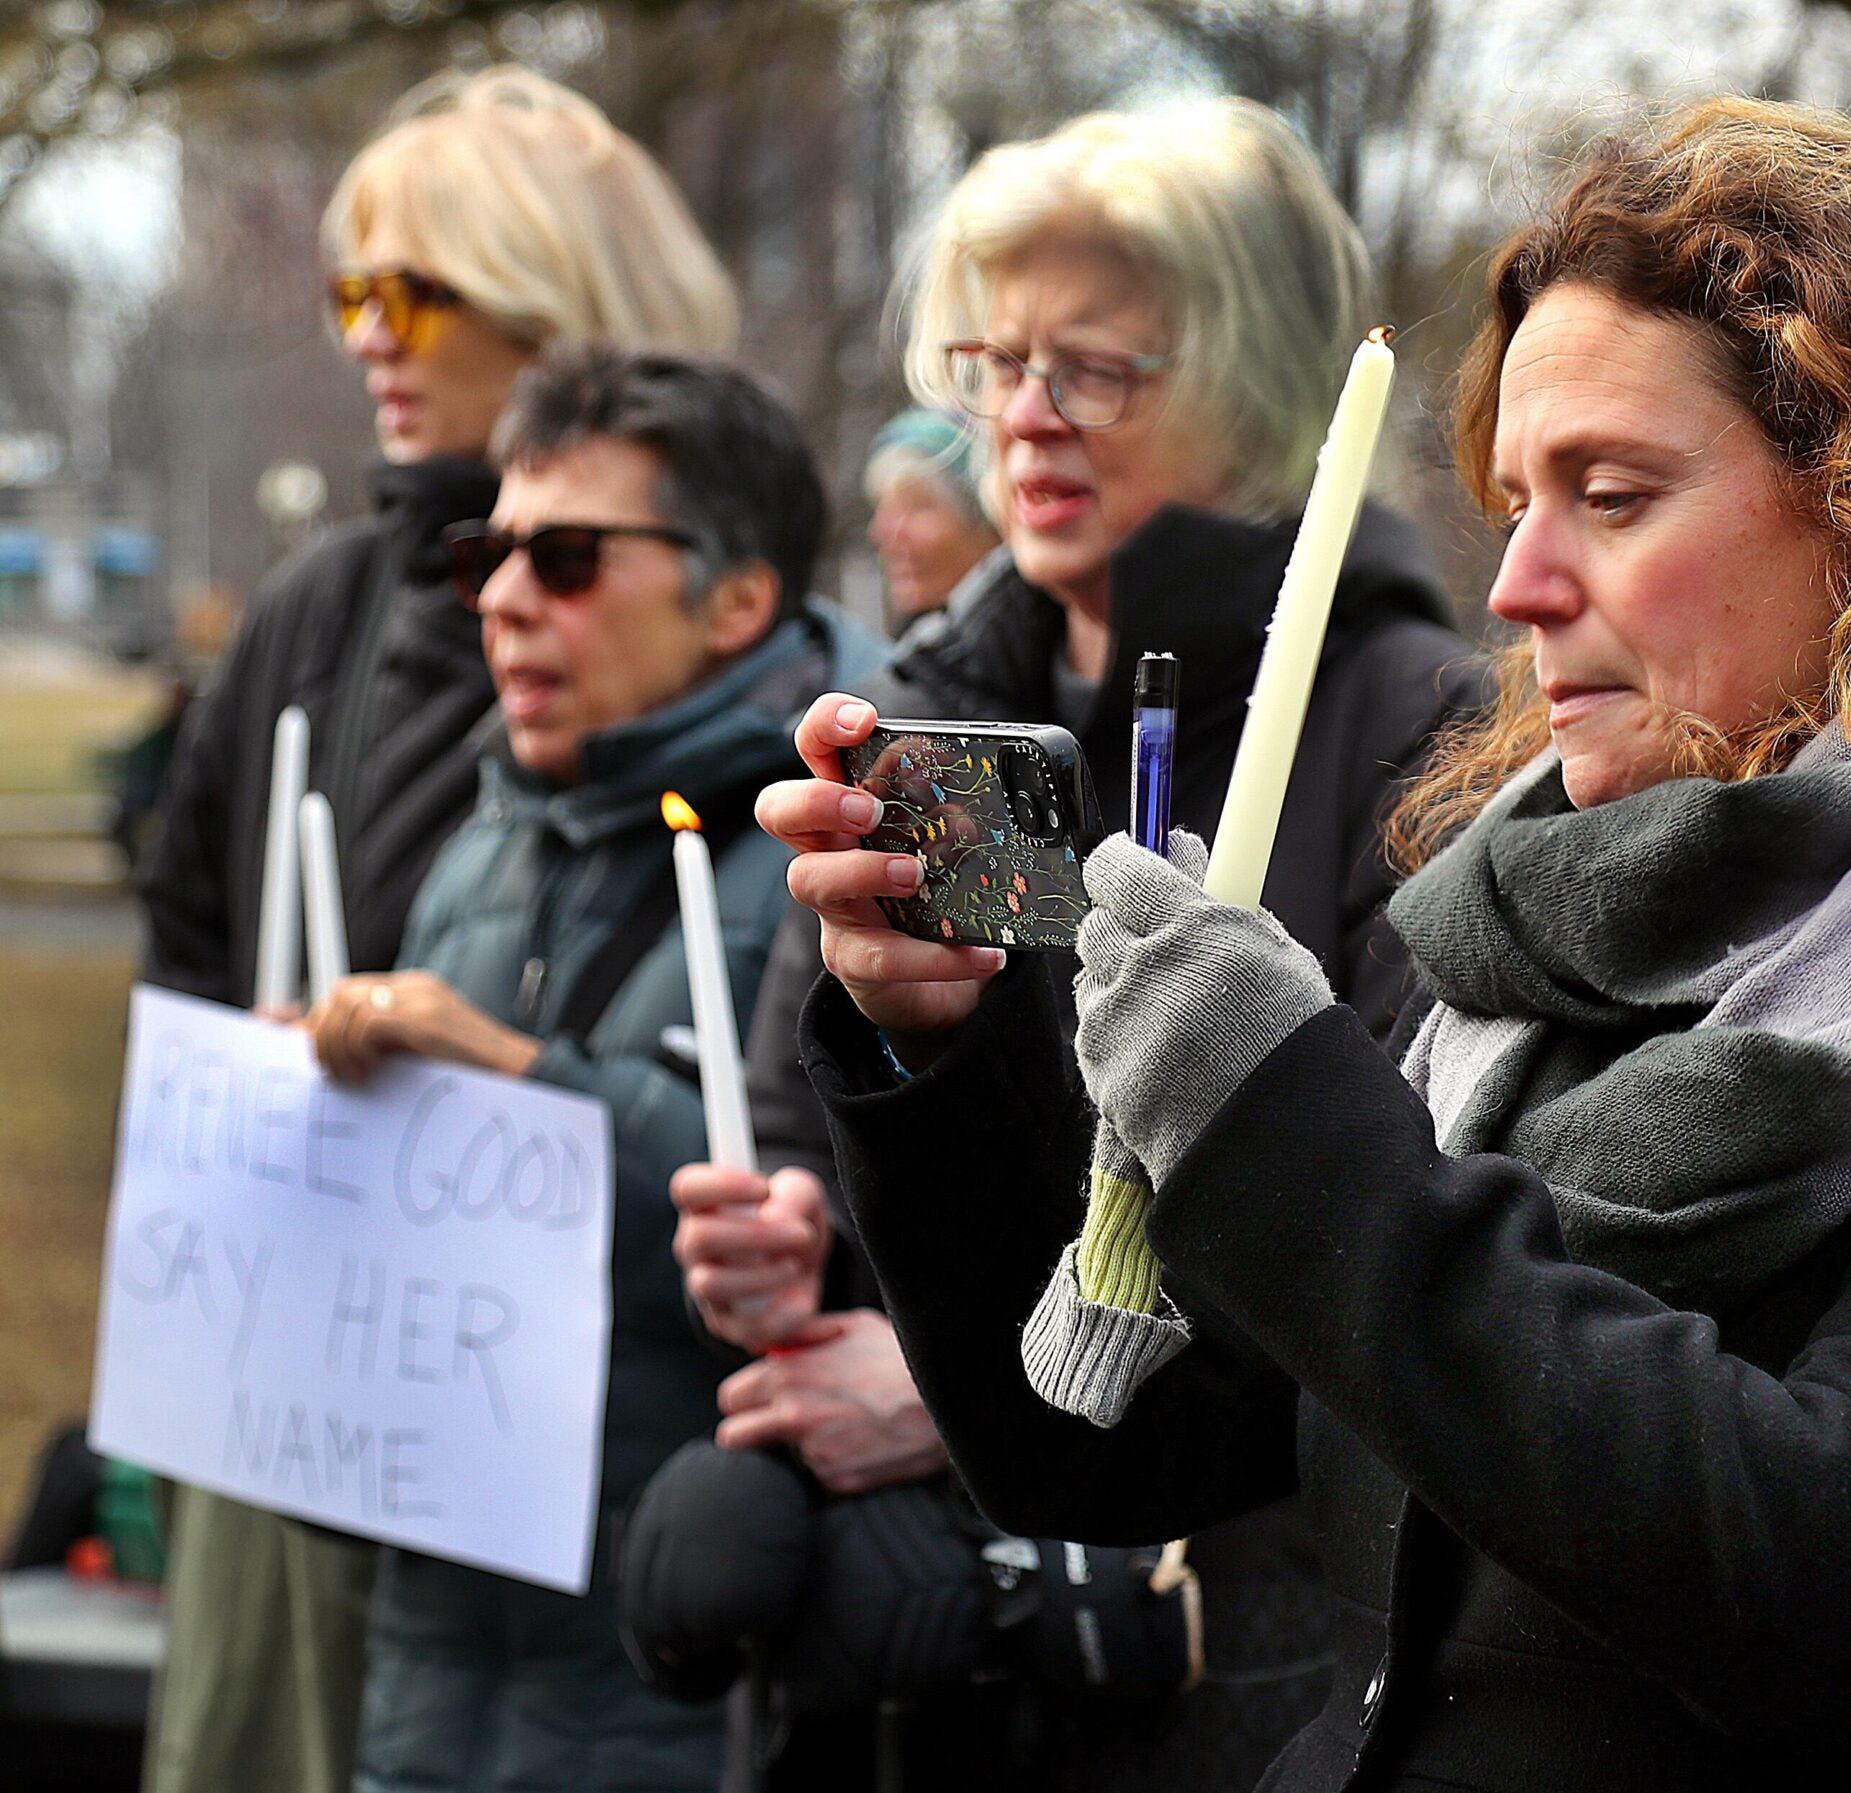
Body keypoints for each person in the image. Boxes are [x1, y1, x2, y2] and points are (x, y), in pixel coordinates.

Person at [764, 97, 1851, 1791]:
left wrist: (1289, 1122)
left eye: (1611, 495)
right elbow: (1107, 1435)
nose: (1519, 585)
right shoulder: (1528, 943)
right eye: (1515, 498)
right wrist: (940, 1048)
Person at [666, 98, 1483, 1789]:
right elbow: (812, 1097)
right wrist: (802, 1221)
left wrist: (940, 1388)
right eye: (990, 360)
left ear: (1258, 381)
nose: (1022, 419)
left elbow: (1385, 1237)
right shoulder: (940, 703)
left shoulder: (1421, 734)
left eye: (1093, 369)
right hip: (903, 1665)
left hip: (1218, 1667)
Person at [133, 66, 735, 1793]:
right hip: (281, 1360)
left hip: (549, 1427)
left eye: (413, 290)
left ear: (558, 303)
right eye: (347, 293)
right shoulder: (314, 606)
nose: (367, 338)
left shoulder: (679, 610)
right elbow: (189, 927)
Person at [296, 343, 832, 1793]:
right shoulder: (487, 833)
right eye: (488, 548)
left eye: (570, 554)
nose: (502, 595)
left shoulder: (838, 852)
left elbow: (823, 1238)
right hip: (432, 1658)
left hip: (676, 1674)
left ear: (739, 598)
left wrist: (505, 1071)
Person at [864, 408, 999, 630]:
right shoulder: (904, 657)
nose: (885, 532)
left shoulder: (1043, 654)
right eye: (882, 507)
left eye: (916, 505)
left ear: (988, 521)